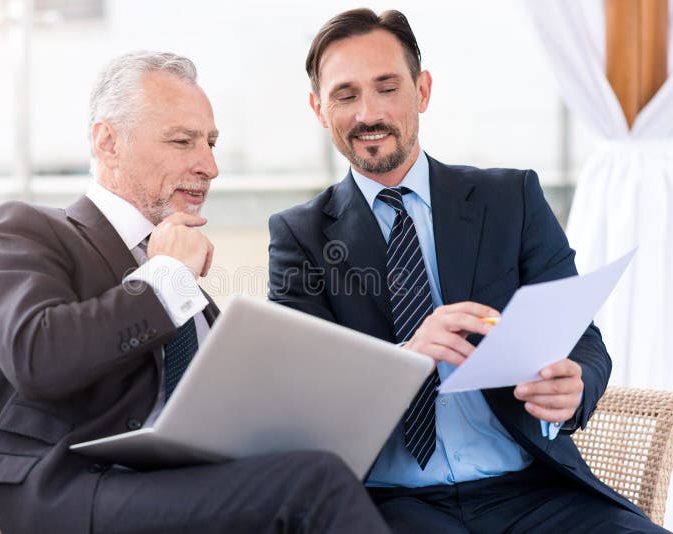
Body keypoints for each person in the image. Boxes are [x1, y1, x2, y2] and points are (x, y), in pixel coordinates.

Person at [268, 8, 668, 533]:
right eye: (346, 95)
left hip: (535, 490)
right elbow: (303, 403)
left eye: (387, 87)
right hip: (388, 505)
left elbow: (581, 338)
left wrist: (577, 386)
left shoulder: (512, 197)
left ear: (423, 91)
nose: (368, 113)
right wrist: (408, 358)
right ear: (320, 109)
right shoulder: (298, 237)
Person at [0, 50, 389, 534]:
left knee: (341, 463)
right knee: (316, 484)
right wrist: (163, 278)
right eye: (183, 141)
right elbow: (39, 357)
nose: (209, 166)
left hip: (161, 481)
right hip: (53, 489)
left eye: (210, 143)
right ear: (108, 142)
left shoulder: (173, 269)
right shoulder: (26, 229)